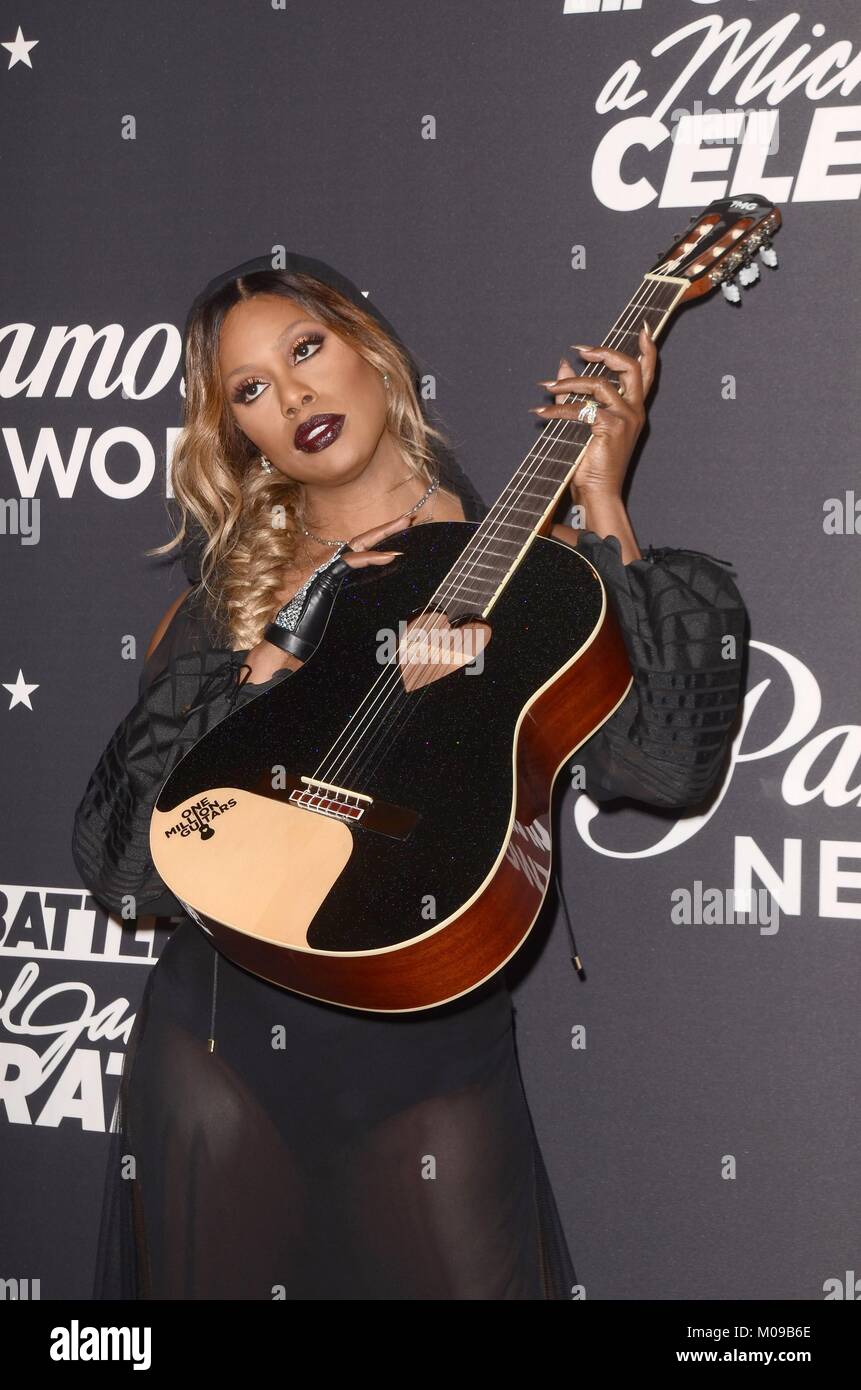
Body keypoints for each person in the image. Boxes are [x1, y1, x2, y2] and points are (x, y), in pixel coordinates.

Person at [72, 251, 748, 1300]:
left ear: (372, 354)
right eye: (249, 389)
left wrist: (604, 497)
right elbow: (126, 871)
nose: (291, 394)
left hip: (430, 1050)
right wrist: (274, 667)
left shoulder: (537, 576)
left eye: (306, 349)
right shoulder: (227, 606)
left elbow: (658, 764)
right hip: (219, 1052)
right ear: (235, 432)